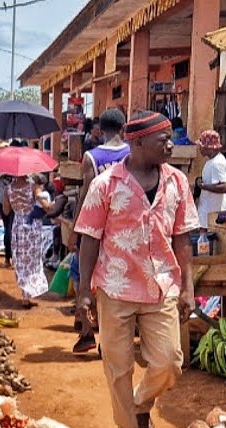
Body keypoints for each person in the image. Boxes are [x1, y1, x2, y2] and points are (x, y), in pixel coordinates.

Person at [75, 110, 198, 428]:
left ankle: (140, 406)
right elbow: (89, 239)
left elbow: (183, 237)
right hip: (116, 288)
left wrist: (188, 287)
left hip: (161, 286)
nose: (171, 146)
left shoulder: (177, 182)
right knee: (118, 367)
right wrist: (84, 291)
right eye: (164, 140)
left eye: (170, 139)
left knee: (170, 362)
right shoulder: (106, 185)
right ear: (138, 142)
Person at [74, 108, 131, 354]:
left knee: (87, 280)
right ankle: (109, 340)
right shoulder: (133, 153)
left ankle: (88, 333)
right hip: (126, 226)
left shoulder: (91, 157)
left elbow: (85, 195)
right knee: (115, 284)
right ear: (123, 128)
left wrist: (77, 227)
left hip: (98, 226)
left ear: (100, 130)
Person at [4, 173, 50, 308]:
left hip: (17, 224)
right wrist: (51, 206)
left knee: (20, 259)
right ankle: (27, 295)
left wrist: (16, 205)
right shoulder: (33, 187)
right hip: (32, 225)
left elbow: (6, 211)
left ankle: (25, 295)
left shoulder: (8, 189)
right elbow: (45, 205)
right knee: (32, 260)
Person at [195, 130, 226, 230]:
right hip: (207, 212)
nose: (200, 149)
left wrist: (203, 186)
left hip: (213, 213)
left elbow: (224, 187)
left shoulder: (217, 163)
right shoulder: (211, 161)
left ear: (209, 147)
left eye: (201, 146)